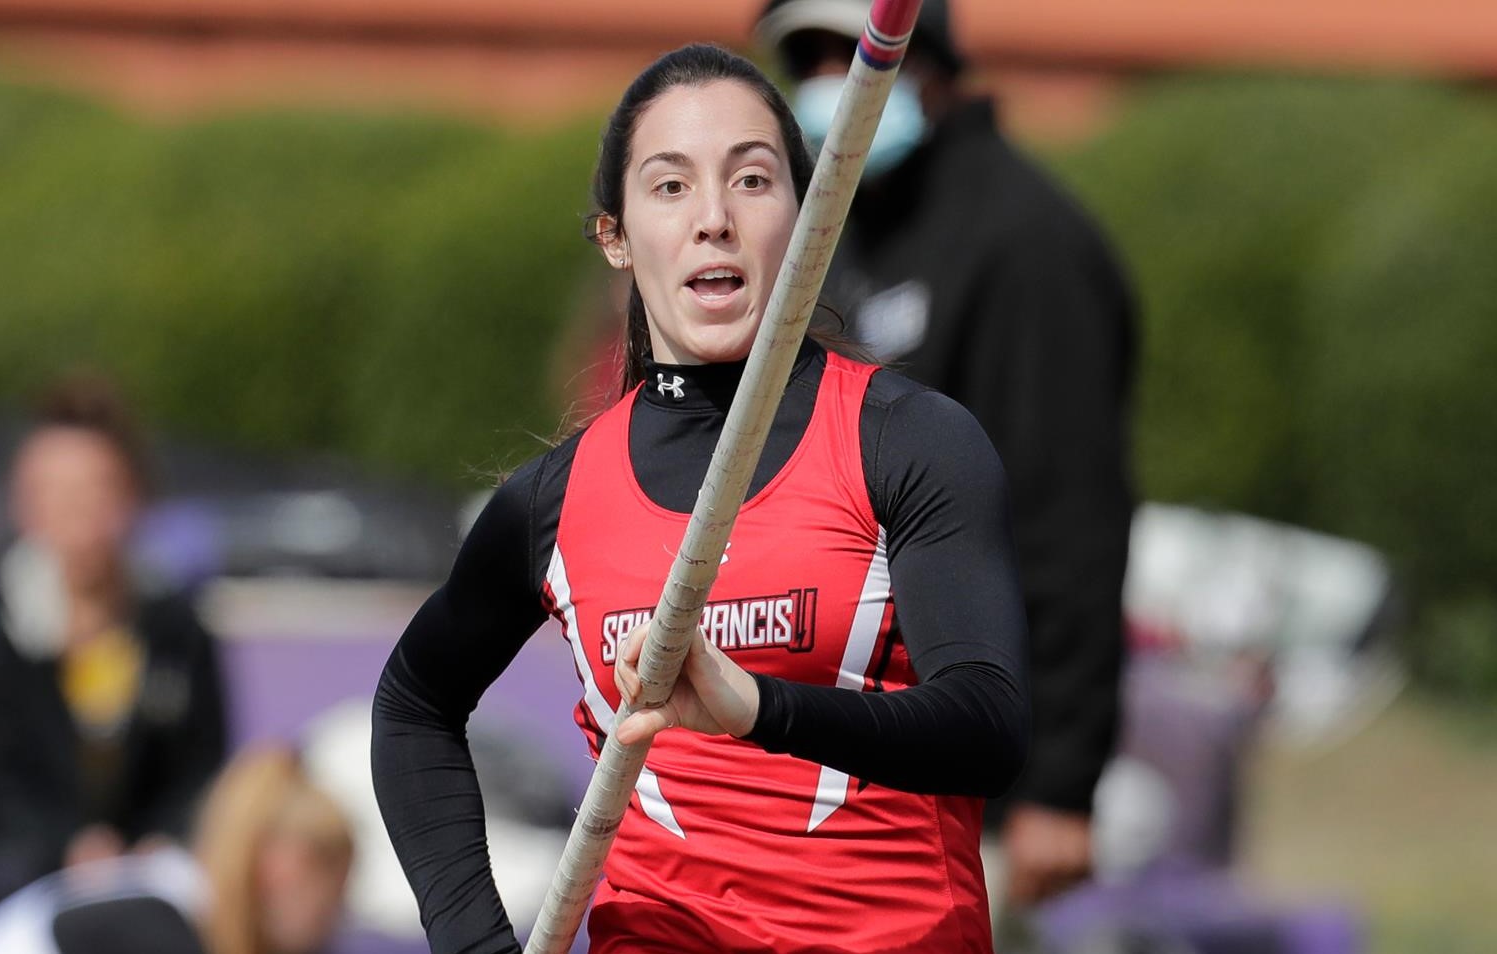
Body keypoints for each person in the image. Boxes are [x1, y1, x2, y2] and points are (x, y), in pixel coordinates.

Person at [372, 43, 1029, 954]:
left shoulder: (908, 441)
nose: (713, 218)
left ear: (808, 217)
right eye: (670, 186)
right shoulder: (554, 503)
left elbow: (988, 727)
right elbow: (413, 706)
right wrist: (472, 939)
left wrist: (755, 706)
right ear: (615, 235)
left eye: (753, 181)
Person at [754, 0, 1136, 910]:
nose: (825, 84)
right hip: (847, 761)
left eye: (848, 54)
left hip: (973, 785)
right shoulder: (841, 232)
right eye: (804, 58)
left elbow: (1071, 517)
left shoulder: (1025, 244)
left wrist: (1057, 783)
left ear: (924, 57)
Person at [0, 374, 230, 930]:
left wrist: (158, 843)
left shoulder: (177, 629)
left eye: (98, 491)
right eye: (57, 494)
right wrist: (72, 848)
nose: (80, 516)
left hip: (152, 874)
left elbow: (202, 776)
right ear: (25, 505)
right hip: (24, 876)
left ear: (135, 496)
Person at [0, 744, 355, 954]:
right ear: (280, 868)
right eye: (331, 898)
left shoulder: (174, 894)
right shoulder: (159, 927)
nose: (335, 920)